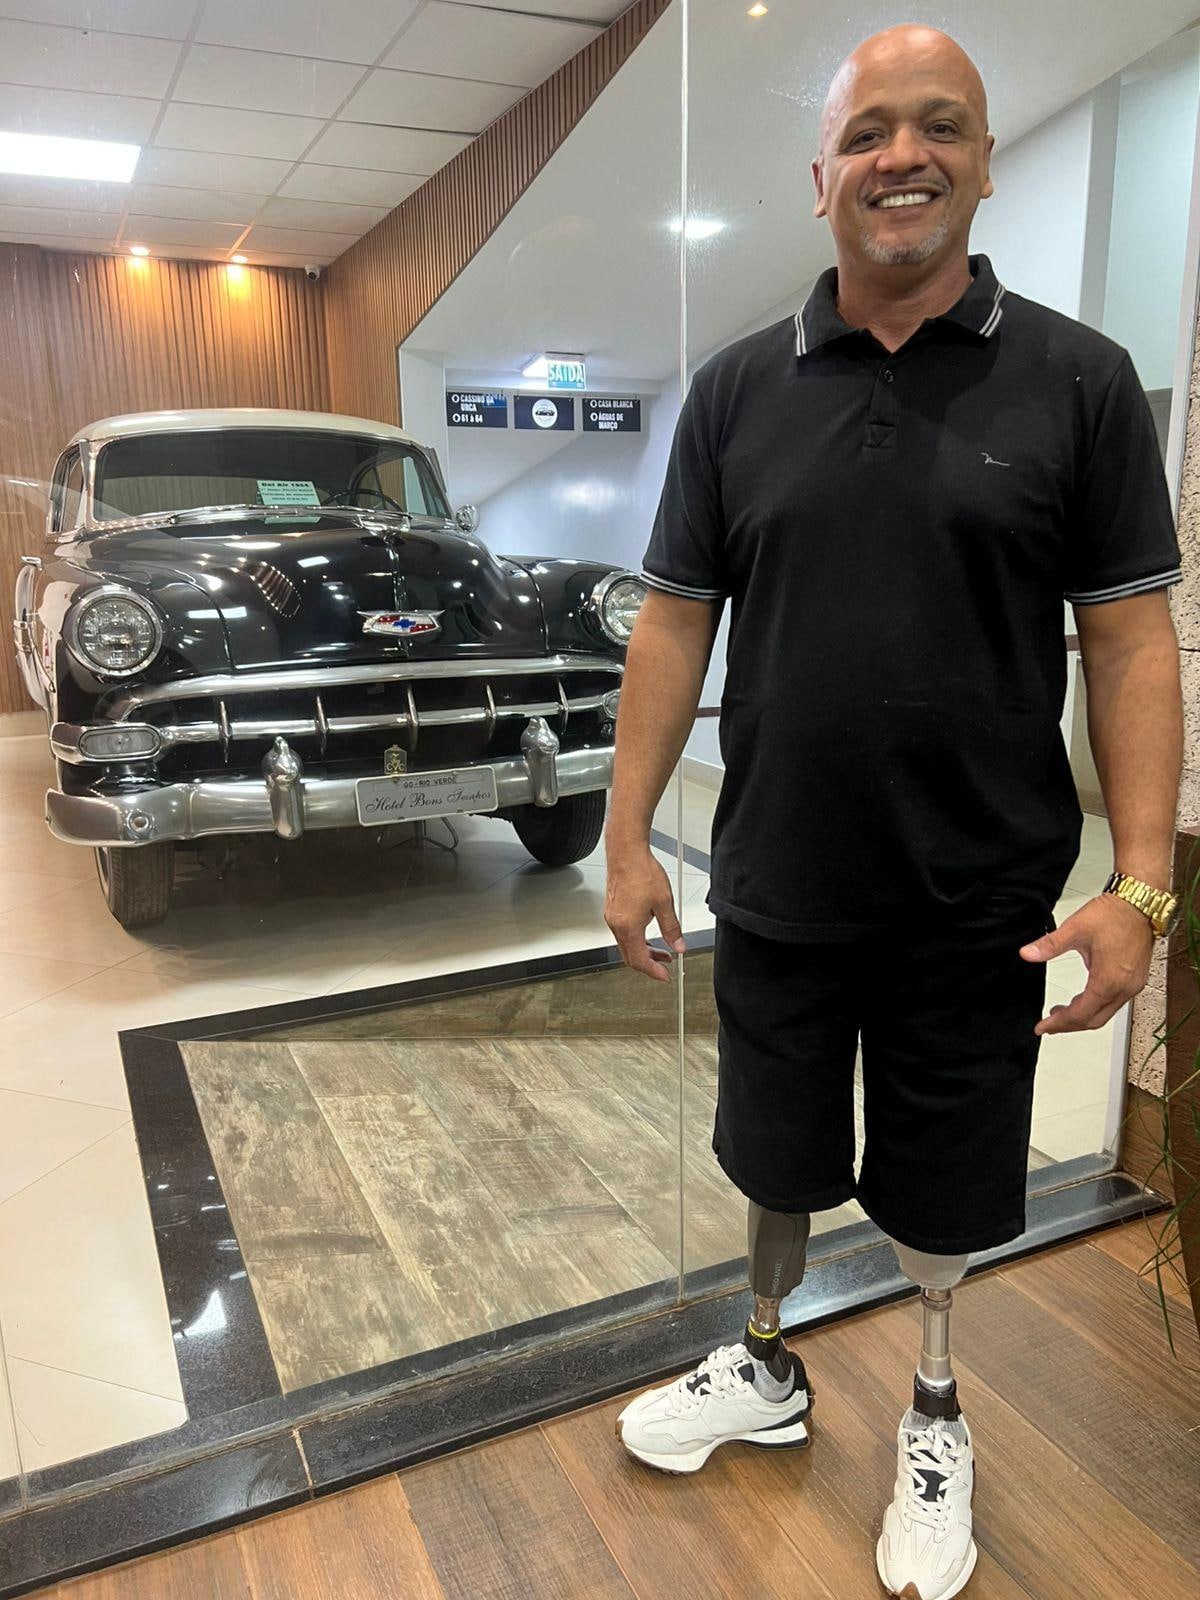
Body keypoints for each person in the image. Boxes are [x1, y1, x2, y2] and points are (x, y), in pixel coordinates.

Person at [603, 22, 1184, 1600]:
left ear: (983, 165)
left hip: (976, 901)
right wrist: (626, 837)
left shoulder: (1081, 381)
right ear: (822, 178)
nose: (902, 155)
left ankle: (934, 1405)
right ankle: (766, 1360)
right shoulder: (735, 390)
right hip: (780, 878)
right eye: (868, 132)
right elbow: (674, 622)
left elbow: (1131, 642)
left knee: (944, 1178)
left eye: (940, 127)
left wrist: (1140, 885)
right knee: (772, 1152)